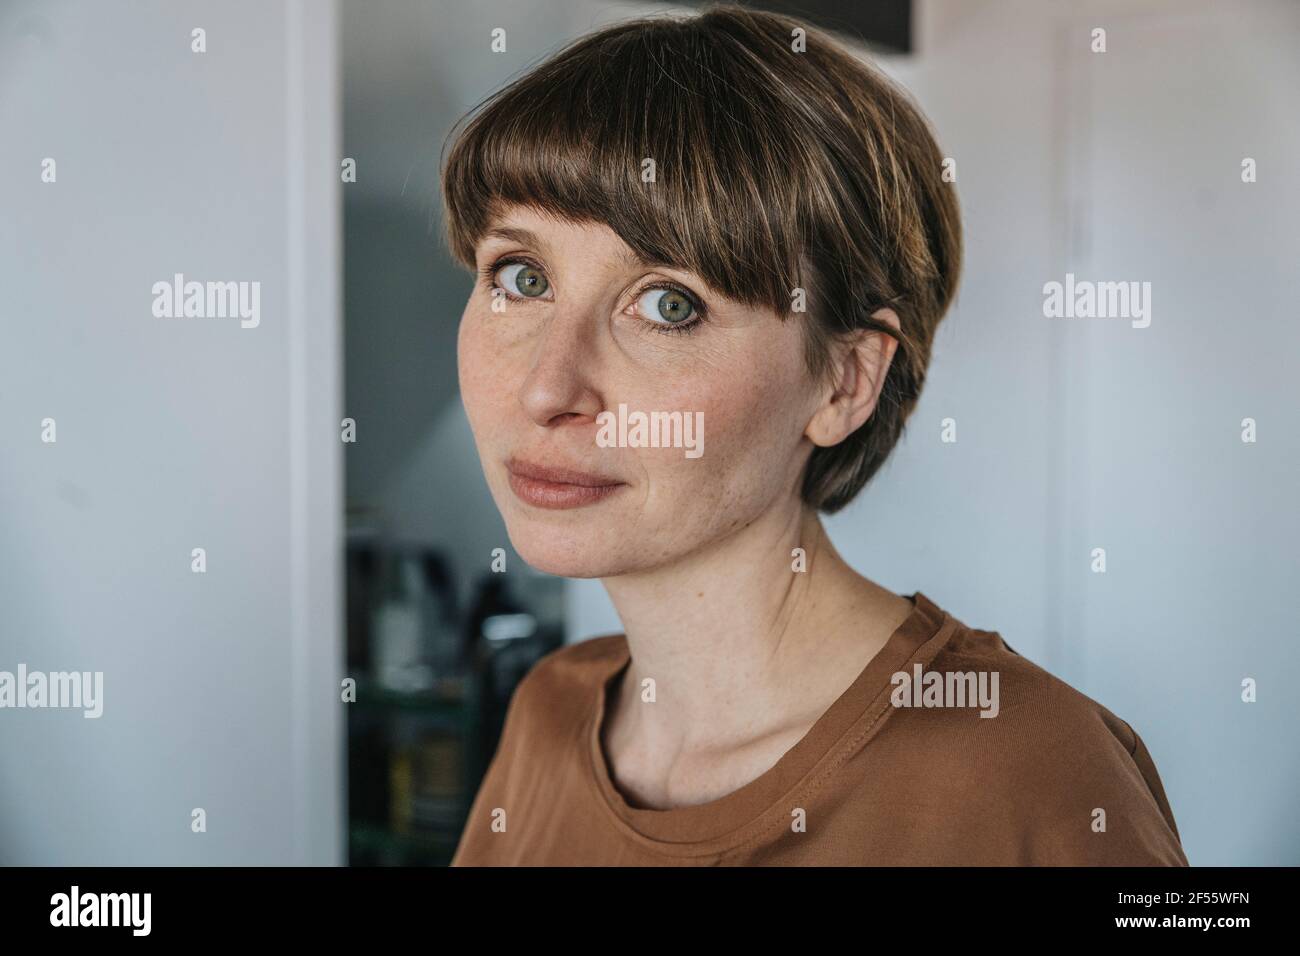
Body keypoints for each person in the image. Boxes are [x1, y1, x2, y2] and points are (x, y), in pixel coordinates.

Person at [441, 3, 1187, 865]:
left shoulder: (1033, 775)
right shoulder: (548, 712)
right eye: (521, 275)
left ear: (844, 381)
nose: (545, 388)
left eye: (668, 304)